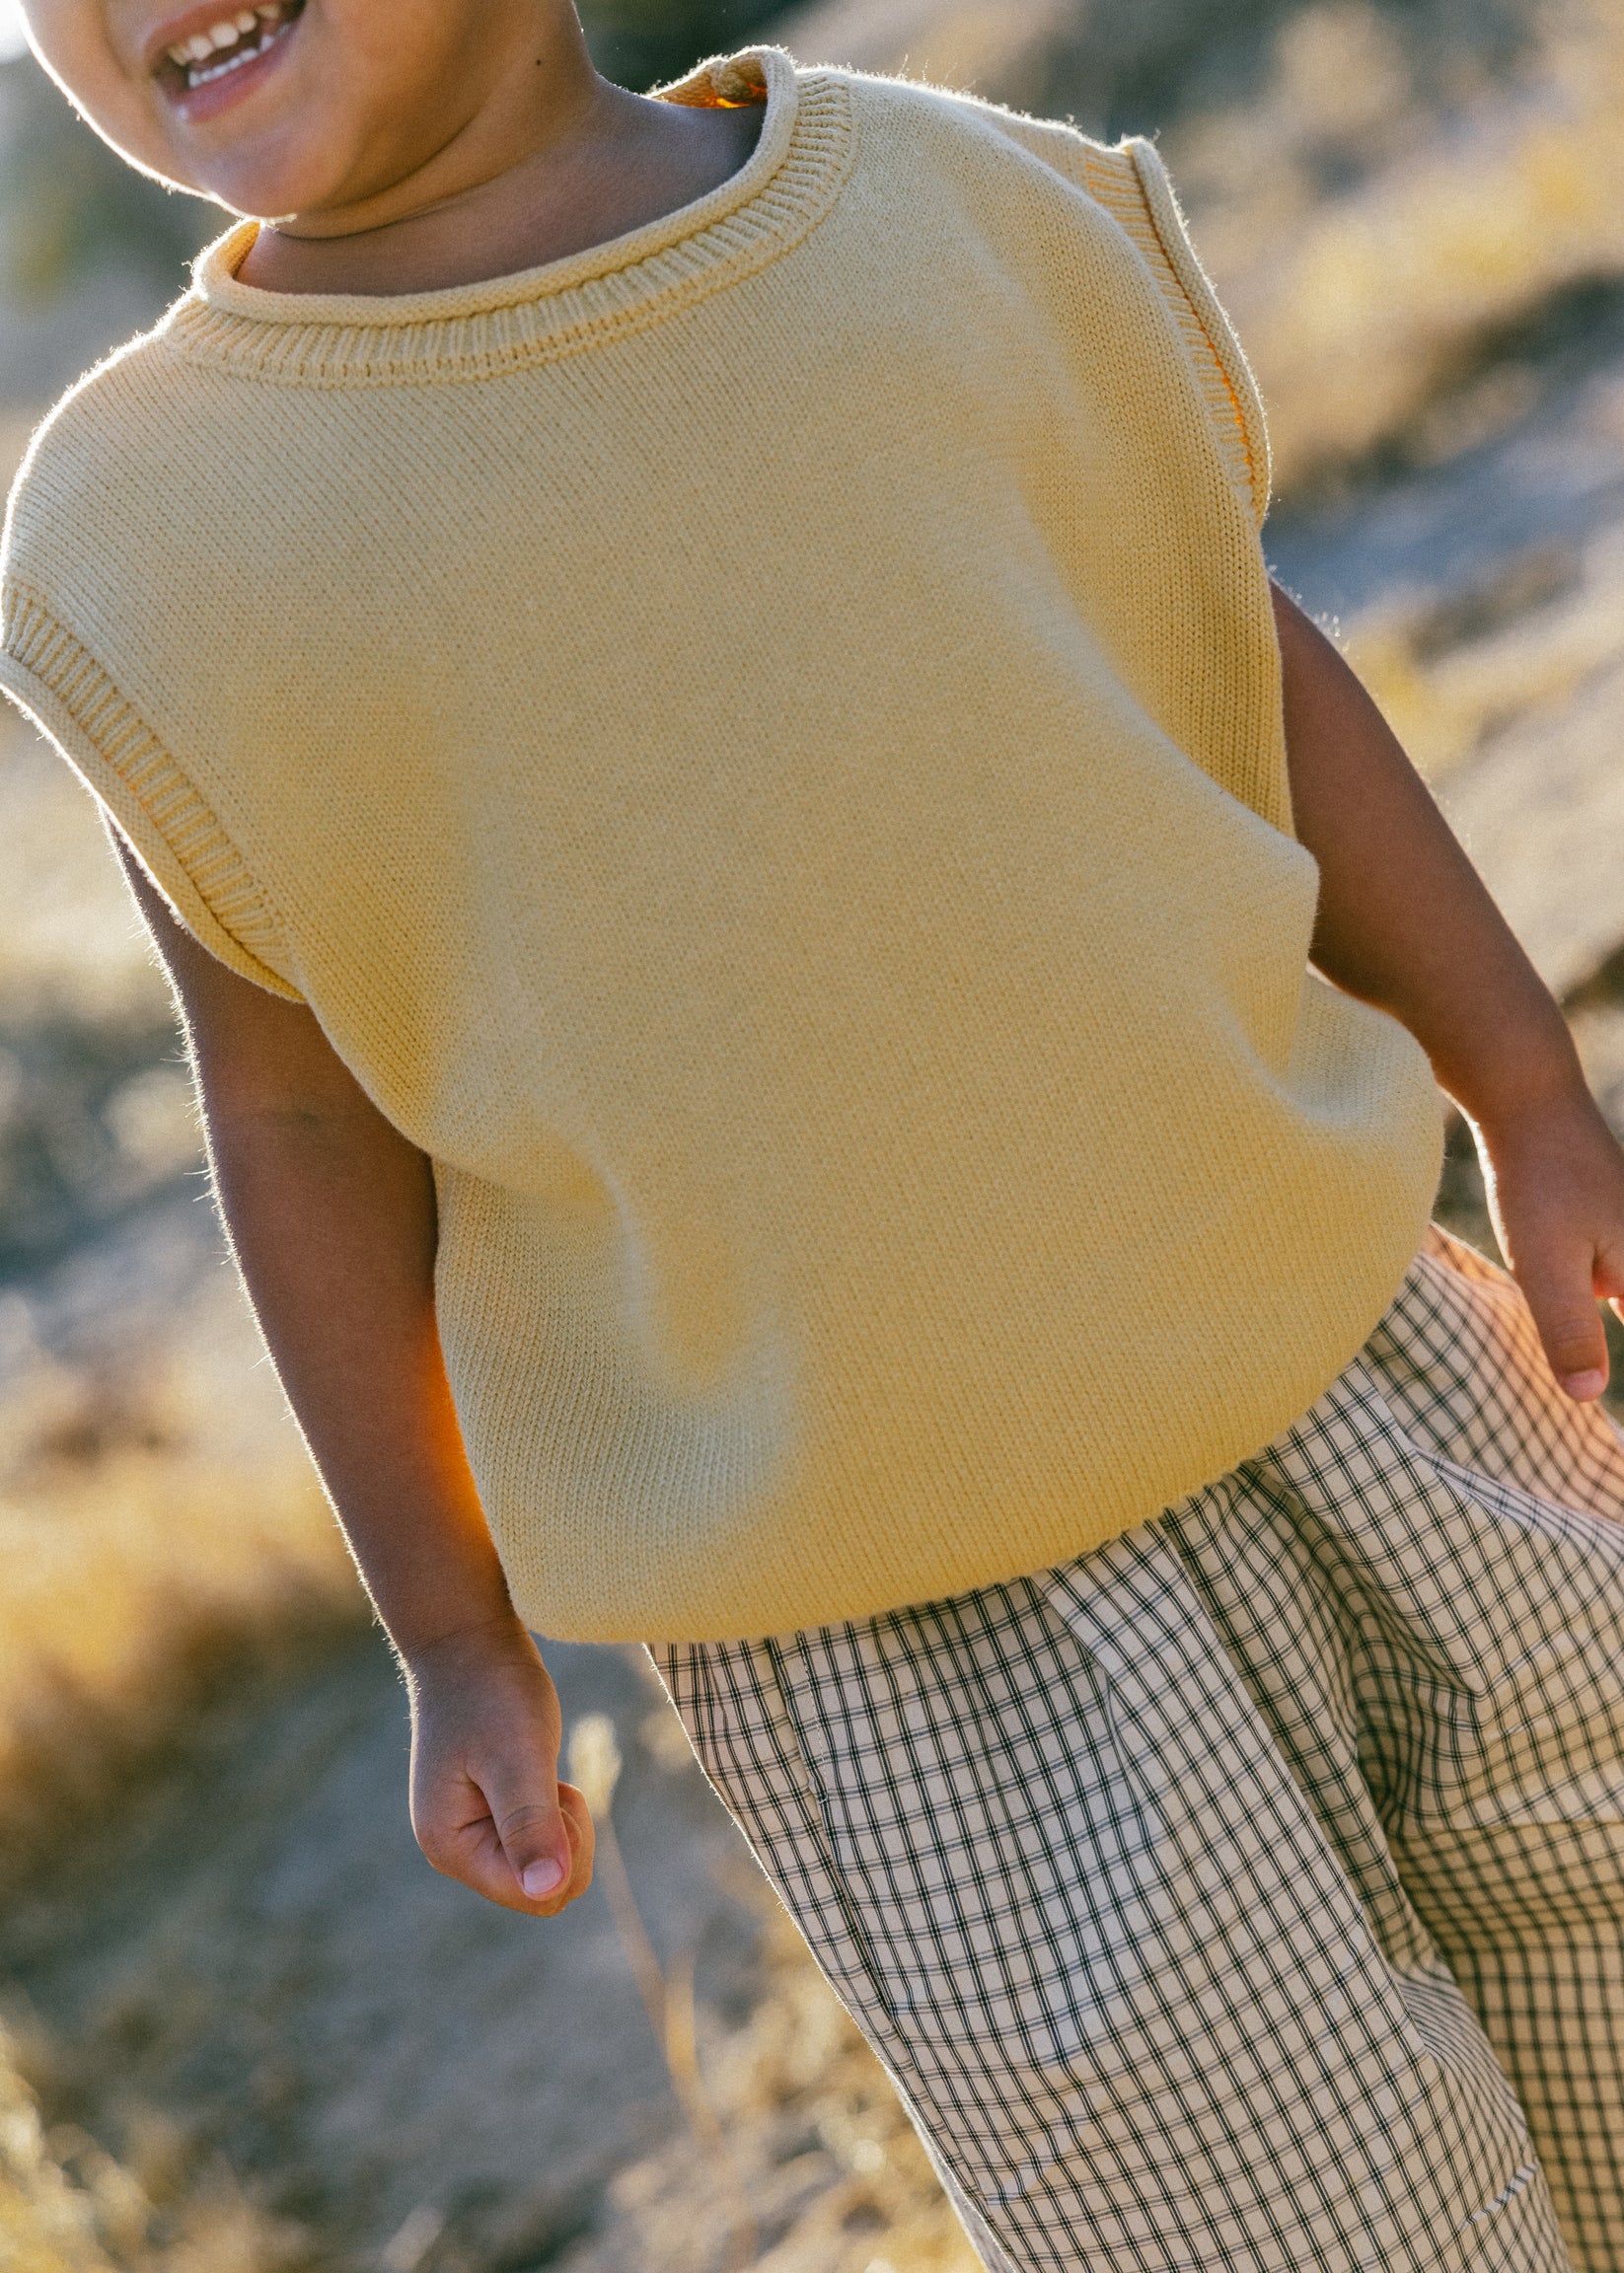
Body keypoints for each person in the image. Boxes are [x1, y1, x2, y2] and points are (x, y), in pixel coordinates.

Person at [6, 1, 1624, 2264]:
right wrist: (447, 1626)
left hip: (1384, 1379)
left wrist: (1521, 1085)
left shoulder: (951, 208)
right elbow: (288, 1100)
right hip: (920, 1650)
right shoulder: (151, 530)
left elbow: (1227, 657)